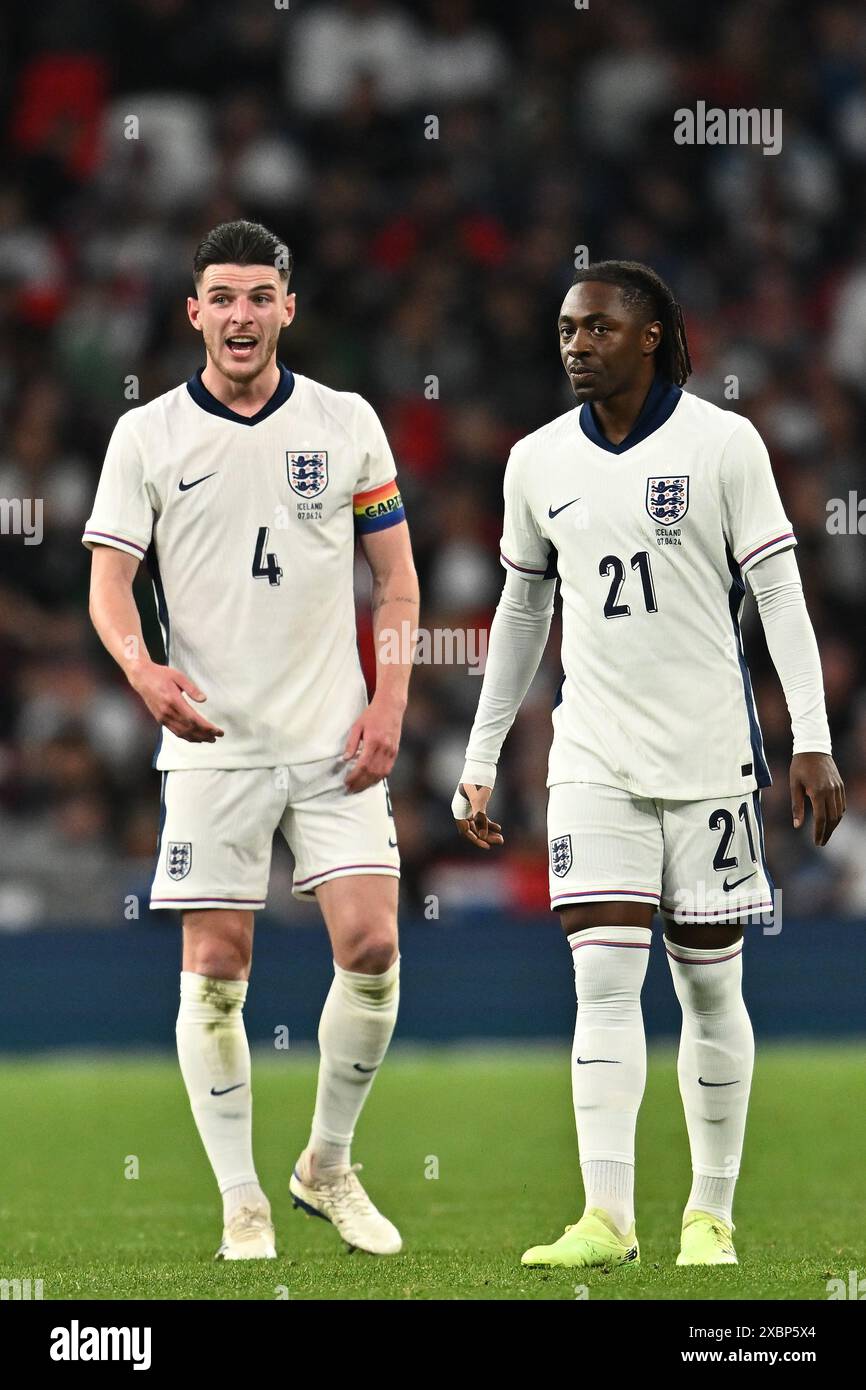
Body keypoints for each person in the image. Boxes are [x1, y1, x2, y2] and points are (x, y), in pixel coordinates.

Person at [453, 260, 845, 1269]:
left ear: (651, 335)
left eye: (594, 327)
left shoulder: (723, 444)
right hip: (591, 758)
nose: (574, 343)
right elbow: (520, 613)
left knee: (710, 991)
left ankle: (707, 1214)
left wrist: (811, 735)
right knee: (602, 982)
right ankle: (606, 1217)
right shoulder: (536, 462)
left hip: (709, 759)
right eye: (564, 329)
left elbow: (781, 593)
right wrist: (482, 753)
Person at [84, 219, 418, 1260]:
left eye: (257, 296)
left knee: (371, 947)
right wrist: (143, 674)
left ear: (287, 307)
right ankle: (242, 1199)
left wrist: (390, 700)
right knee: (215, 965)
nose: (239, 315)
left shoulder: (346, 420)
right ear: (193, 313)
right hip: (214, 741)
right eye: (220, 297)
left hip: (331, 736)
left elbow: (398, 580)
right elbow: (107, 587)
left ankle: (324, 1162)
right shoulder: (147, 436)